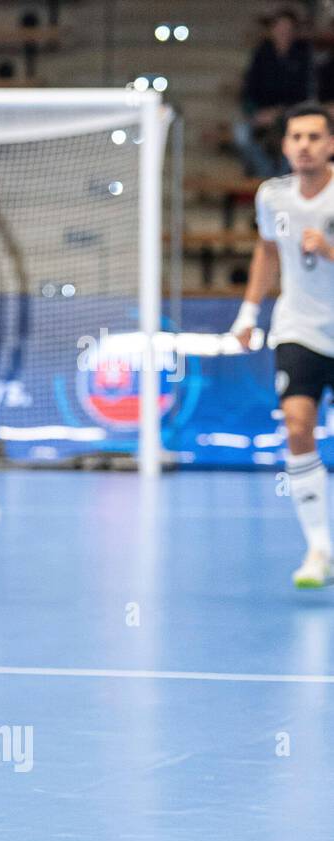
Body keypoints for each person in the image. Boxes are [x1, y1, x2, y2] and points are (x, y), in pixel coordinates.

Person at [232, 104, 334, 587]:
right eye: (297, 137)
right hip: (299, 329)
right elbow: (267, 251)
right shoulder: (271, 197)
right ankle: (319, 547)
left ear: (330, 144)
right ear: (286, 145)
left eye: (314, 137)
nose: (305, 145)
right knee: (297, 427)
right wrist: (249, 315)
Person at [236, 8, 314, 178]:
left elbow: (306, 94)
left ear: (294, 31)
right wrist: (255, 113)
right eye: (279, 27)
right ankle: (270, 178)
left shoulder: (303, 56)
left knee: (296, 137)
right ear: (272, 30)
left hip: (292, 115)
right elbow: (248, 92)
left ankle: (284, 178)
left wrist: (281, 112)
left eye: (288, 28)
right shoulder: (261, 55)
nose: (283, 32)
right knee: (241, 134)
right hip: (262, 115)